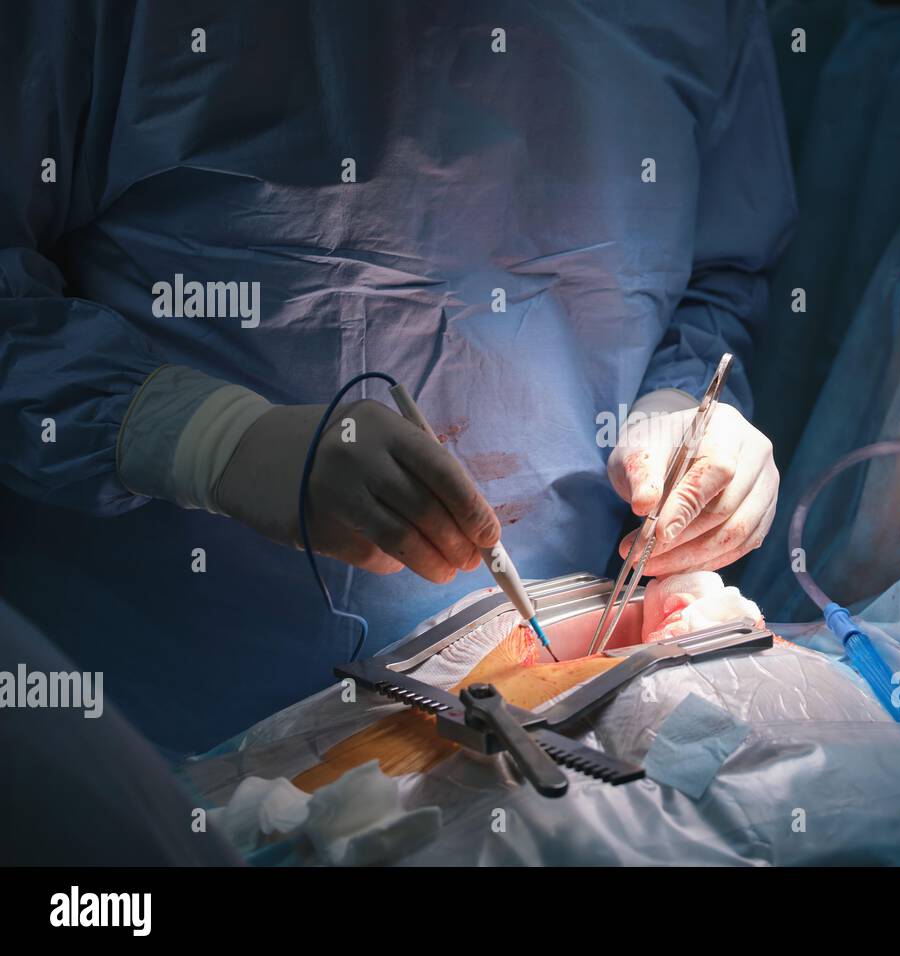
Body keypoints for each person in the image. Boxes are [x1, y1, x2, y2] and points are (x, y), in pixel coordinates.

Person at [0, 1, 795, 756]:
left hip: (552, 713)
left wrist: (686, 402)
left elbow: (720, 274)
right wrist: (210, 440)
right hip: (161, 719)